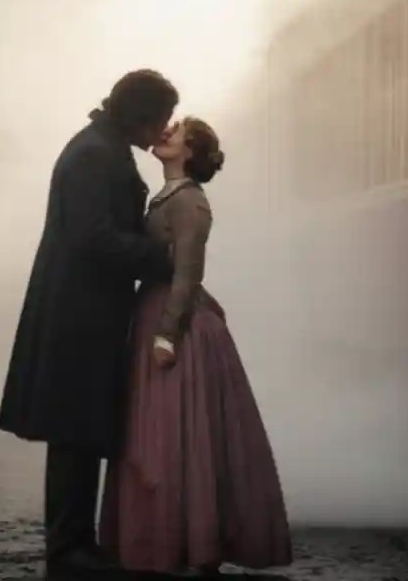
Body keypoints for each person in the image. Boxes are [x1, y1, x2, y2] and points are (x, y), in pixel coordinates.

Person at [0, 69, 179, 577]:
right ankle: (69, 551)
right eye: (161, 118)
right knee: (75, 432)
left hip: (84, 309)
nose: (164, 128)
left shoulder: (99, 146)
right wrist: (162, 259)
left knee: (80, 429)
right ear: (141, 114)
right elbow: (94, 237)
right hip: (79, 313)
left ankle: (77, 545)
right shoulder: (96, 155)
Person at [100, 117, 293, 575]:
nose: (166, 132)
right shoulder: (166, 196)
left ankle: (180, 542)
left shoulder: (191, 202)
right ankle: (156, 542)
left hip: (174, 325)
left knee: (170, 436)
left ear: (190, 150)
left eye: (178, 130)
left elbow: (188, 273)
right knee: (156, 435)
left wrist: (168, 333)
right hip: (154, 312)